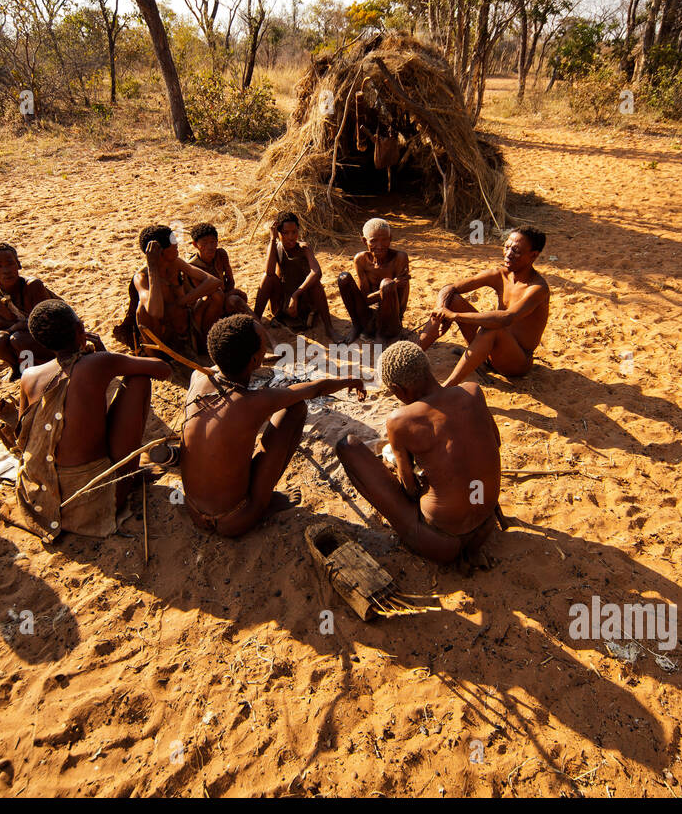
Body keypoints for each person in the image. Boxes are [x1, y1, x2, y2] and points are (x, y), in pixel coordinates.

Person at [180, 314, 363, 537]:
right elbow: (315, 388)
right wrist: (352, 380)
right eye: (262, 343)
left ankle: (255, 497)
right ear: (255, 360)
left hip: (193, 511)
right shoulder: (252, 403)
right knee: (295, 409)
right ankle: (262, 502)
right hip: (235, 519)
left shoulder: (197, 379)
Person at [14, 300, 170, 540]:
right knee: (138, 380)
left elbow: (22, 435)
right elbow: (161, 369)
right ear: (80, 329)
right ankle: (127, 475)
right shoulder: (97, 362)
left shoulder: (29, 376)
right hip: (91, 499)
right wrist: (107, 355)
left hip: (39, 495)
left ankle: (126, 472)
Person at [335, 342, 500, 564]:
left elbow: (410, 489)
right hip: (486, 523)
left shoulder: (400, 421)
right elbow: (495, 442)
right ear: (427, 368)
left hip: (441, 541)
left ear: (397, 389)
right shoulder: (472, 391)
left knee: (348, 447)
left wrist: (408, 470)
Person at [417, 226, 549, 386]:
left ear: (533, 255)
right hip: (489, 351)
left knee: (493, 326)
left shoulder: (537, 288)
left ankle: (445, 388)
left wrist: (454, 316)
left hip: (515, 362)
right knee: (453, 300)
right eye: (507, 247)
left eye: (516, 251)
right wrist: (441, 310)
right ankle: (411, 354)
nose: (508, 254)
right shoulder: (500, 275)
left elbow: (507, 318)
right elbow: (449, 288)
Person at [116, 224, 222, 355]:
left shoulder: (176, 263)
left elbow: (213, 281)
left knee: (216, 295)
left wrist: (180, 302)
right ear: (161, 251)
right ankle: (164, 360)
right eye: (172, 242)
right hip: (163, 338)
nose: (176, 244)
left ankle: (205, 348)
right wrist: (153, 268)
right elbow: (156, 312)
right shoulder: (142, 277)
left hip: (186, 328)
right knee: (142, 310)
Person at [252, 211, 335, 341]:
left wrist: (296, 295)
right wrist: (273, 240)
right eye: (285, 233)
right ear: (278, 233)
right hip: (282, 302)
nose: (291, 237)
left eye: (294, 232)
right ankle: (253, 323)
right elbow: (269, 272)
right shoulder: (276, 247)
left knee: (316, 285)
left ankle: (329, 329)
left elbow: (316, 271)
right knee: (267, 279)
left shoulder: (303, 248)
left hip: (302, 301)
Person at [0, 242, 57, 383]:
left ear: (18, 265)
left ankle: (31, 371)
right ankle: (16, 369)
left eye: (10, 264)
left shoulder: (33, 286)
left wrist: (11, 326)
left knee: (18, 339)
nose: (6, 270)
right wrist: (11, 326)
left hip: (54, 337)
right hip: (23, 338)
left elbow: (46, 324)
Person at [336, 217, 410, 343]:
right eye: (374, 241)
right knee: (344, 278)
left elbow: (402, 300)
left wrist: (389, 288)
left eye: (385, 240)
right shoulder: (361, 260)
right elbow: (364, 299)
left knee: (387, 283)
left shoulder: (399, 258)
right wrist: (391, 286)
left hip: (391, 318)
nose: (380, 246)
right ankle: (357, 325)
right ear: (365, 241)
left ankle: (381, 335)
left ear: (390, 238)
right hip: (367, 316)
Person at [187, 222, 250, 323]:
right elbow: (206, 296)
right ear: (195, 244)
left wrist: (230, 293)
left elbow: (230, 281)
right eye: (204, 243)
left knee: (239, 298)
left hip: (224, 298)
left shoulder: (221, 255)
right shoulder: (193, 266)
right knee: (234, 299)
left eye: (213, 242)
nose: (210, 247)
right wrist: (230, 294)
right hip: (207, 306)